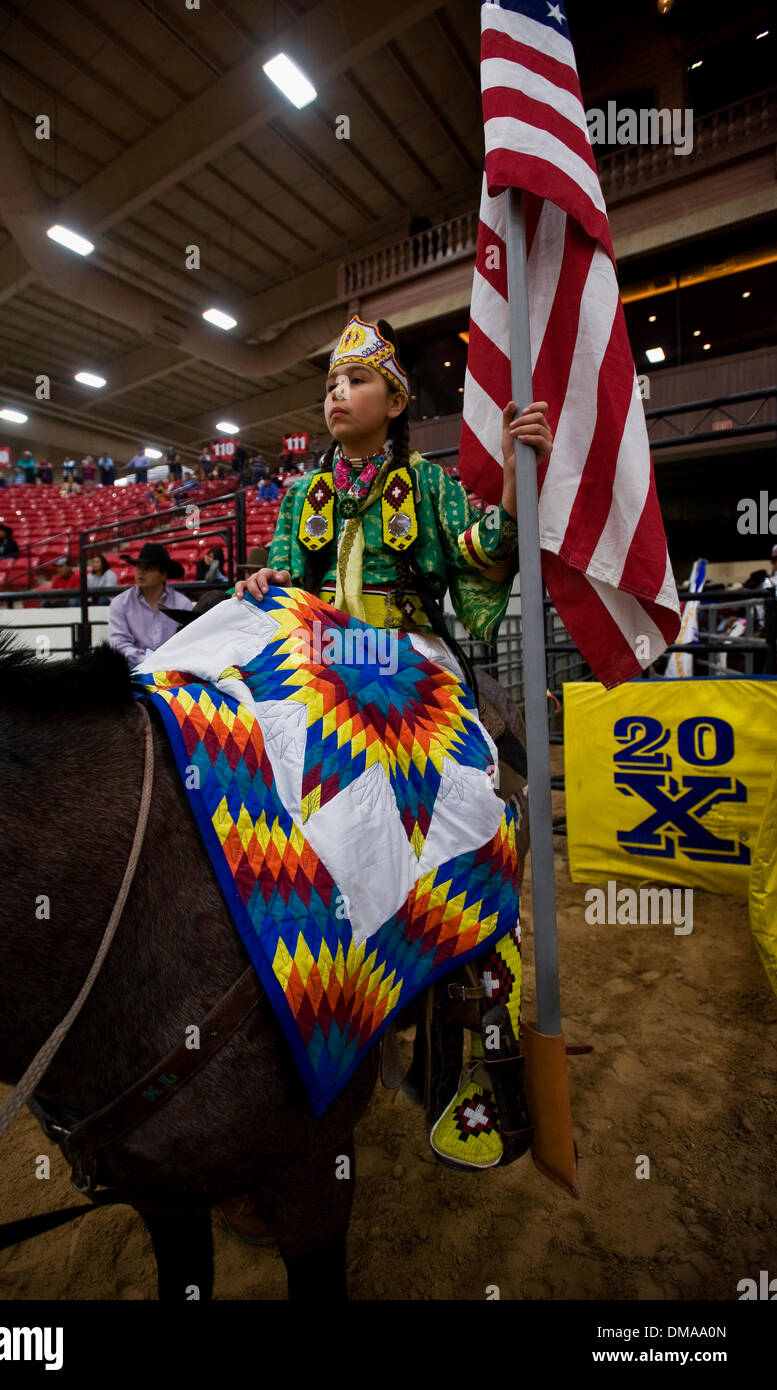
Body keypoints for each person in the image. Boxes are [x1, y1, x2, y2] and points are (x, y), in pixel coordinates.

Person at [236, 314, 553, 1172]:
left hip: (410, 671)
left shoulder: (432, 485)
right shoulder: (301, 495)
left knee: (464, 817)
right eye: (330, 384)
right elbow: (277, 580)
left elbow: (489, 556)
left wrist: (526, 473)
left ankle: (468, 1040)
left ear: (397, 399)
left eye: (356, 382)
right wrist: (264, 580)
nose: (336, 394)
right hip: (318, 679)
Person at [108, 542, 193, 670]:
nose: (140, 572)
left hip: (175, 670)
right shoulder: (120, 603)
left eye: (148, 568)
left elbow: (188, 643)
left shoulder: (183, 604)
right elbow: (119, 644)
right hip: (134, 671)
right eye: (138, 567)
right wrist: (151, 661)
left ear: (163, 574)